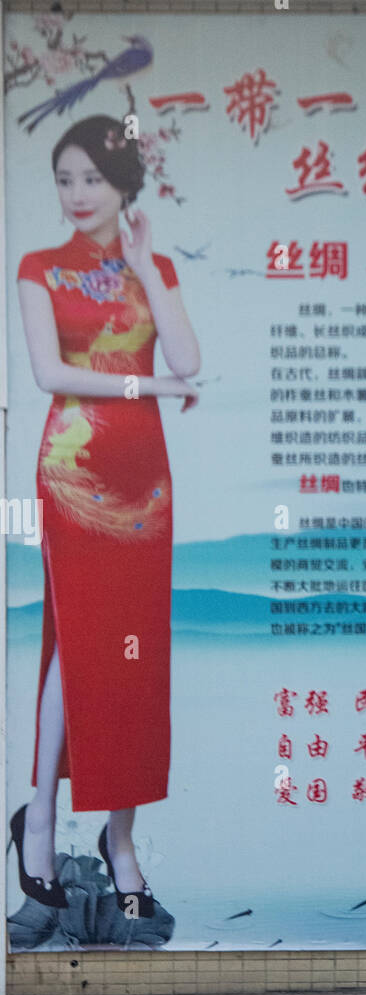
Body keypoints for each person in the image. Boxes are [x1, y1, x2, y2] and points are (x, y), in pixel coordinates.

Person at [10, 114, 200, 918]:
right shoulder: (37, 267)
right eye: (65, 178)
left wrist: (145, 268)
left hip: (144, 491)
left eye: (92, 178)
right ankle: (41, 823)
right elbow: (51, 370)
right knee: (76, 647)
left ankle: (118, 840)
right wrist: (144, 387)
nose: (77, 195)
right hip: (72, 470)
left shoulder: (152, 266)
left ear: (124, 185)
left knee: (134, 661)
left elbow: (189, 359)